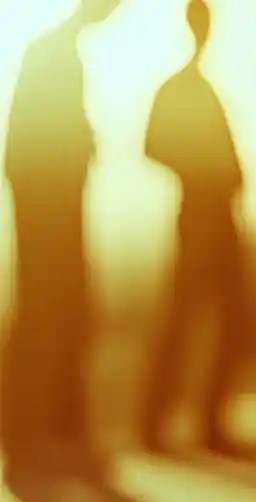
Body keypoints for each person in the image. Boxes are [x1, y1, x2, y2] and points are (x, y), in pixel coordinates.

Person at [2, 0, 121, 472]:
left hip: (57, 208)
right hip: (48, 213)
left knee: (69, 313)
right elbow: (25, 148)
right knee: (44, 315)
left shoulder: (60, 53)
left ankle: (57, 432)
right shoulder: (52, 54)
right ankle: (29, 434)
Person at [140, 0, 247, 454]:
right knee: (184, 318)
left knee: (227, 319)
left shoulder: (202, 88)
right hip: (197, 216)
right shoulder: (179, 88)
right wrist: (198, 170)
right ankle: (154, 423)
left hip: (222, 216)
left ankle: (209, 422)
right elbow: (151, 147)